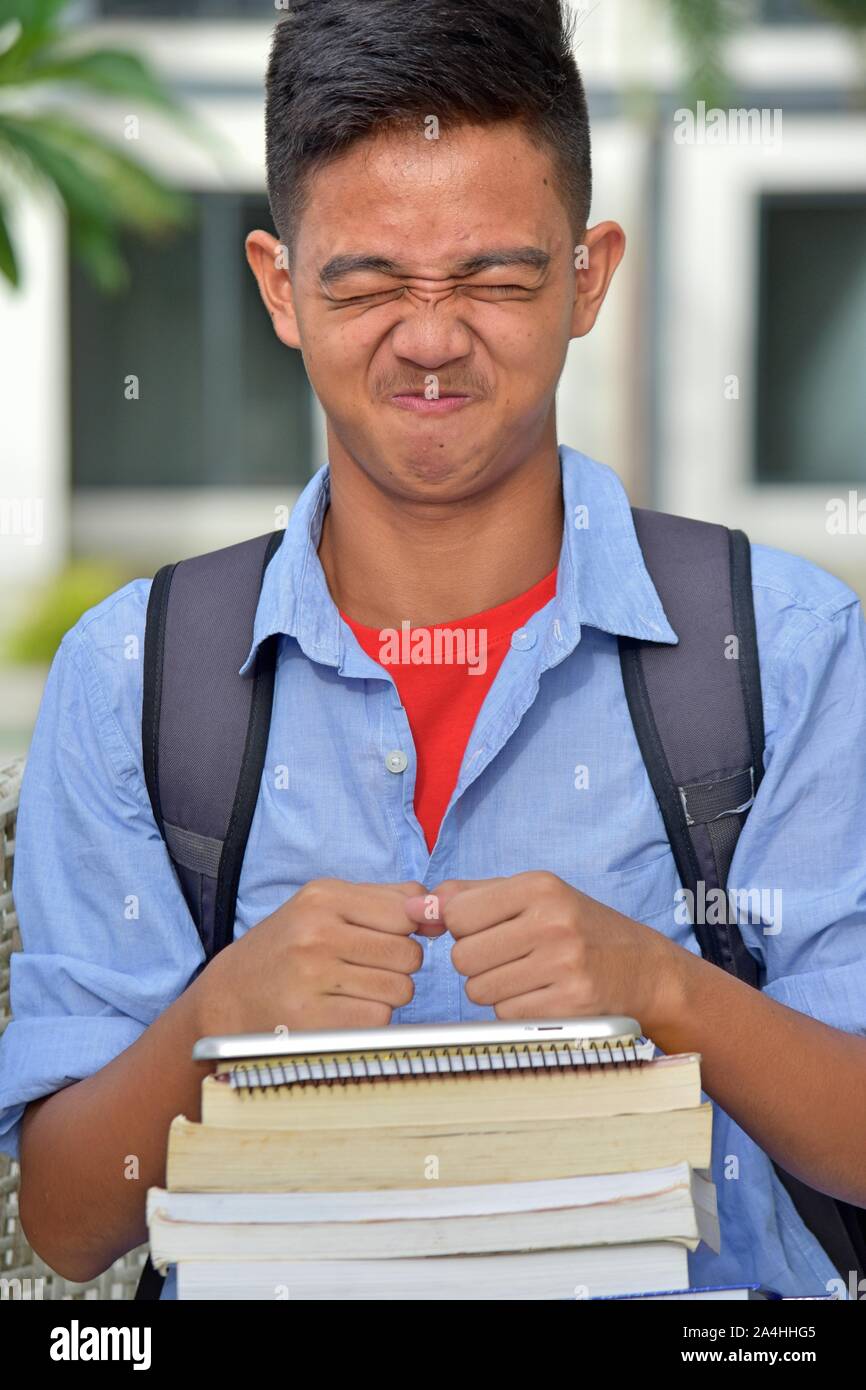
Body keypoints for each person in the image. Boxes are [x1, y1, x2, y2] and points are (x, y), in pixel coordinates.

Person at [1, 0, 865, 1301]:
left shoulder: (783, 649)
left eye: (494, 280)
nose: (429, 338)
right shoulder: (135, 676)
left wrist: (667, 988)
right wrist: (215, 1018)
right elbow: (70, 1222)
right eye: (367, 285)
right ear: (280, 288)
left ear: (588, 277)